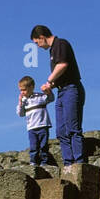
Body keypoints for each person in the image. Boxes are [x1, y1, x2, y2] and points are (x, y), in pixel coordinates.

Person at [29, 25, 85, 168]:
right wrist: (50, 87)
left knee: (72, 127)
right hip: (61, 91)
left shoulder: (60, 44)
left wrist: (49, 81)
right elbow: (60, 74)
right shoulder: (53, 50)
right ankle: (68, 163)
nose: (37, 46)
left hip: (71, 89)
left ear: (42, 37)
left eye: (36, 42)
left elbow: (63, 65)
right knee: (61, 130)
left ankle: (78, 162)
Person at [17, 76, 53, 167]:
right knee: (33, 146)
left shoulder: (40, 97)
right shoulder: (24, 101)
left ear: (31, 87)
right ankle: (33, 161)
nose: (22, 92)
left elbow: (51, 98)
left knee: (43, 145)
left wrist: (48, 92)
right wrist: (20, 103)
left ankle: (44, 162)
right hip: (31, 128)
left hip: (43, 125)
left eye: (24, 90)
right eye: (21, 90)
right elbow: (20, 114)